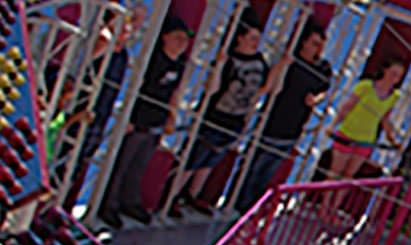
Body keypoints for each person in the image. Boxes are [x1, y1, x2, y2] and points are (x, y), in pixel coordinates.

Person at [170, 15, 274, 218]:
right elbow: (212, 90)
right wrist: (218, 67)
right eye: (251, 38)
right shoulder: (229, 60)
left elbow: (263, 89)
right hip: (215, 116)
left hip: (236, 118)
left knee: (210, 162)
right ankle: (172, 196)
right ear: (240, 38)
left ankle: (193, 195)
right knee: (193, 159)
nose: (255, 43)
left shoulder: (260, 62)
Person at [97, 15, 192, 229]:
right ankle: (108, 203)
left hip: (156, 121)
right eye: (177, 37)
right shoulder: (152, 60)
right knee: (121, 164)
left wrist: (171, 117)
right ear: (165, 37)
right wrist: (127, 118)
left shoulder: (180, 64)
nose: (182, 43)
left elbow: (174, 92)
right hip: (138, 120)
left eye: (184, 39)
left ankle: (129, 201)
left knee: (138, 166)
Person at [233, 22, 332, 212]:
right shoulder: (290, 62)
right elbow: (269, 85)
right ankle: (238, 202)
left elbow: (324, 89)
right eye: (314, 43)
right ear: (303, 42)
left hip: (294, 128)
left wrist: (316, 99)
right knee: (253, 168)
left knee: (268, 172)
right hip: (272, 123)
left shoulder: (322, 68)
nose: (318, 49)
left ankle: (252, 206)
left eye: (320, 45)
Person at [62, 5, 144, 209]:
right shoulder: (99, 46)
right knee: (65, 160)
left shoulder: (123, 56)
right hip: (79, 112)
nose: (126, 29)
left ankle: (64, 205)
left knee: (81, 163)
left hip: (99, 116)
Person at [326, 56, 405, 180]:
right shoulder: (366, 86)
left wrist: (392, 140)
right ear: (385, 70)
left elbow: (385, 118)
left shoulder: (394, 96)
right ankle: (326, 199)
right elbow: (348, 106)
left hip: (366, 139)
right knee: (335, 173)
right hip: (348, 132)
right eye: (393, 73)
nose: (394, 79)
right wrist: (333, 125)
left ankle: (337, 200)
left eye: (398, 76)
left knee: (349, 176)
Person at [44, 76, 95, 166]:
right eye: (68, 92)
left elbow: (61, 123)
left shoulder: (59, 114)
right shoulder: (43, 97)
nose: (67, 99)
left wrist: (80, 116)